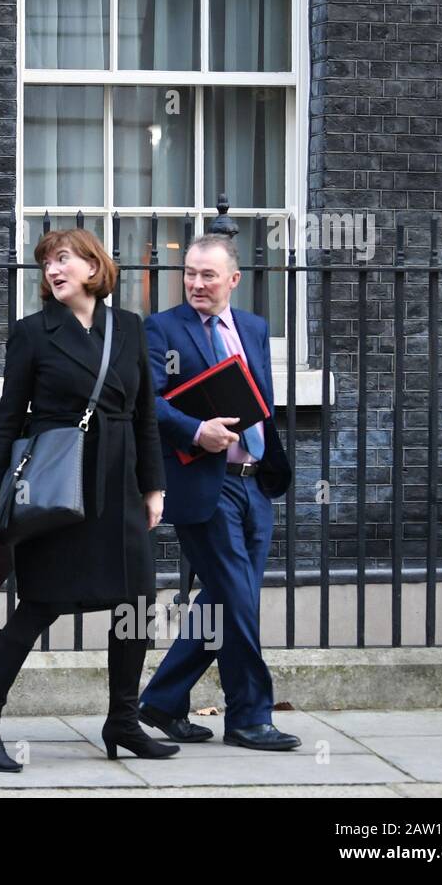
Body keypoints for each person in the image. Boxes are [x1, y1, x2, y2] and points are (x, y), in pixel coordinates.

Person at [0, 228, 178, 772]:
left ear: (92, 265)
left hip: (120, 486)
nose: (53, 270)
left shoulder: (128, 328)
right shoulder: (32, 333)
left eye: (62, 259)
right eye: (46, 264)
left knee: (137, 602)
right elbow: (10, 416)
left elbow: (146, 413)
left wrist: (154, 487)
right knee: (39, 606)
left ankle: (123, 721)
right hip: (57, 486)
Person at [137, 234, 300, 751]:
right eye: (189, 273)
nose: (196, 283)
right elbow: (149, 403)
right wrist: (196, 429)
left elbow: (261, 399)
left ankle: (163, 700)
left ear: (233, 279)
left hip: (255, 482)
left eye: (208, 275)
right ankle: (250, 716)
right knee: (236, 597)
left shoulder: (253, 327)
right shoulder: (161, 329)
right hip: (204, 483)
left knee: (230, 599)